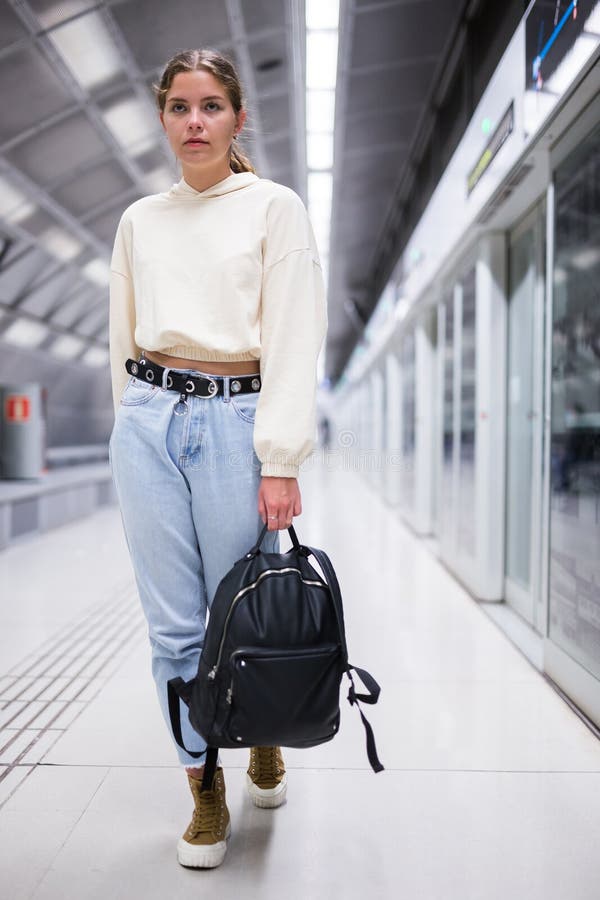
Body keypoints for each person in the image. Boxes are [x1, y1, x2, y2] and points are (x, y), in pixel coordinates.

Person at [108, 48, 327, 869]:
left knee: (244, 612)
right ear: (163, 117)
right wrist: (124, 426)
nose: (193, 123)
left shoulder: (274, 209)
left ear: (237, 117)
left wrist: (281, 457)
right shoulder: (140, 219)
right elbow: (119, 337)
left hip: (238, 423)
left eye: (210, 107)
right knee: (172, 628)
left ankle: (263, 734)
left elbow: (297, 334)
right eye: (178, 108)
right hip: (149, 420)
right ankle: (204, 788)